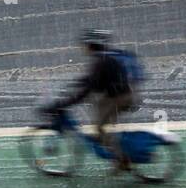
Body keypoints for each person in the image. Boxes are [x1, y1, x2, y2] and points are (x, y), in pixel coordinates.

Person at [47, 30, 139, 169]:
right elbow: (92, 80)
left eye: (84, 45)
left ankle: (122, 159)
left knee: (99, 127)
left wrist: (65, 103)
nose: (83, 48)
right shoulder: (104, 59)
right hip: (118, 95)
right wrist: (75, 85)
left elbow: (88, 89)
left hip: (119, 98)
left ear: (90, 46)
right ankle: (110, 145)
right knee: (98, 113)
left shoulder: (99, 62)